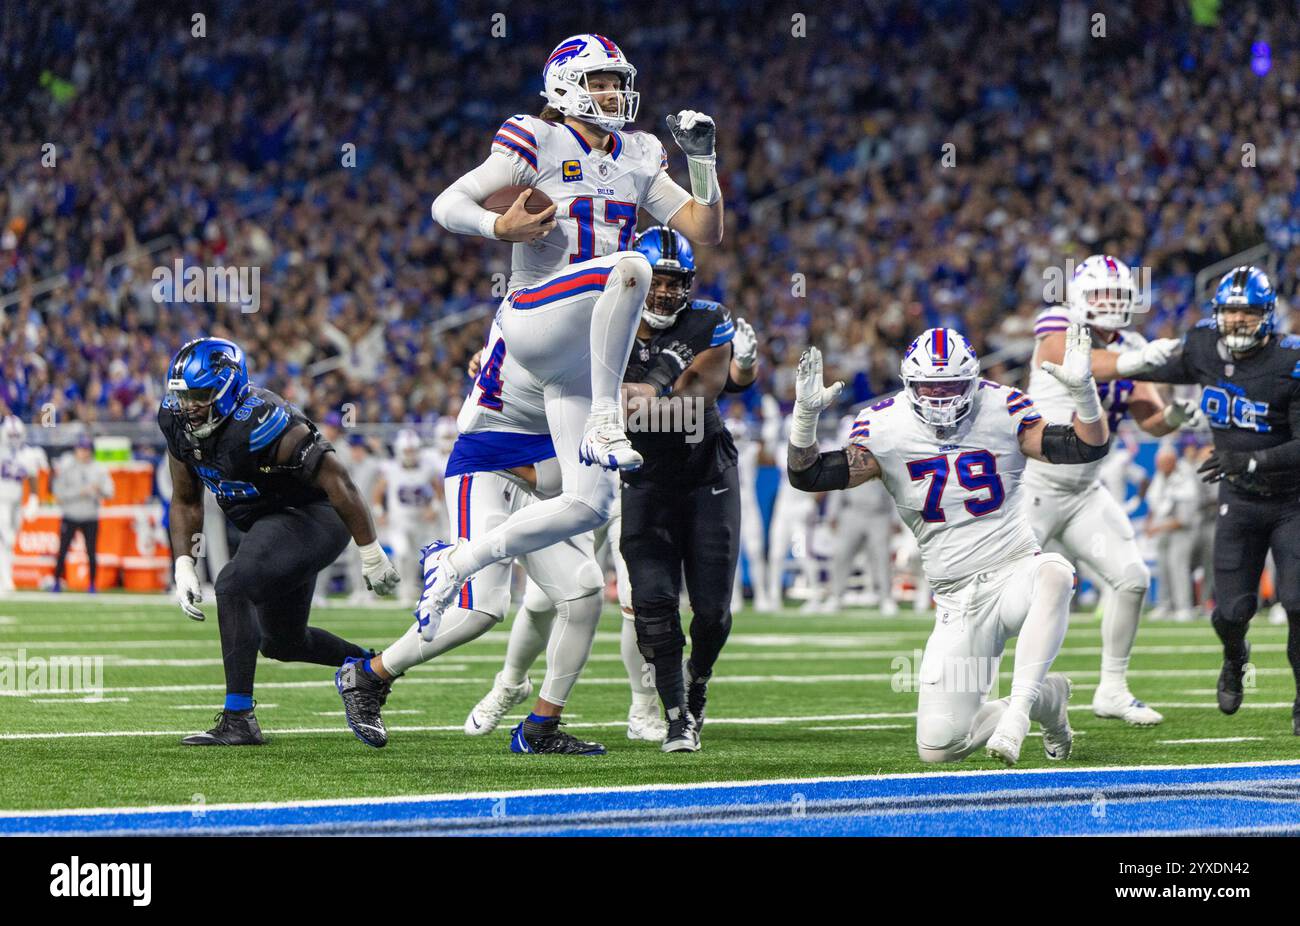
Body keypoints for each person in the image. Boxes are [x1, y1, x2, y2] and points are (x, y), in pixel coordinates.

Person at [418, 32, 724, 649]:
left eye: (617, 80)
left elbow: (704, 229)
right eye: (600, 81)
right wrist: (496, 224)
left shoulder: (639, 150)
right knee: (635, 265)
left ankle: (457, 561)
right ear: (564, 85)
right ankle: (607, 419)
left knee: (590, 506)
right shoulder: (536, 136)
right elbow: (446, 202)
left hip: (587, 350)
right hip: (537, 308)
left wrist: (704, 163)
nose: (613, 92)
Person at [786, 324, 1112, 765]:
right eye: (929, 386)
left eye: (951, 385)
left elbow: (1085, 448)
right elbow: (807, 476)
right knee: (939, 748)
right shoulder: (883, 425)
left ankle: (1018, 714)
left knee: (1055, 573)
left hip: (1014, 569)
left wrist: (1086, 396)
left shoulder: (1003, 407)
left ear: (973, 381)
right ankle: (1047, 698)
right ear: (909, 384)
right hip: (956, 598)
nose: (940, 397)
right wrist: (804, 421)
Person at [160, 337, 400, 746]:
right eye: (183, 396)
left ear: (229, 388)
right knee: (283, 641)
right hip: (269, 524)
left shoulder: (266, 421)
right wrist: (184, 562)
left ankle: (239, 719)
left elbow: (337, 480)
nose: (188, 407)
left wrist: (370, 551)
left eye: (200, 396)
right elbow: (185, 499)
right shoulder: (176, 421)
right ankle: (372, 667)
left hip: (314, 517)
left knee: (233, 584)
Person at [1107, 266, 1300, 733]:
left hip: (1293, 502)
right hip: (1239, 500)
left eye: (1247, 313)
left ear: (1267, 315)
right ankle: (1236, 657)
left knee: (1298, 603)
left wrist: (1249, 461)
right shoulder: (1200, 346)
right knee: (1231, 612)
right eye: (1229, 312)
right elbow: (1147, 364)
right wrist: (1102, 354)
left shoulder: (1289, 361)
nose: (1236, 321)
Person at [1023, 255, 1201, 725]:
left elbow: (1153, 420)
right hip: (1032, 484)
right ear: (1080, 297)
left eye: (1118, 296)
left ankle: (1113, 690)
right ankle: (986, 692)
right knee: (1009, 596)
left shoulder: (1133, 344)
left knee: (1132, 578)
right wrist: (1139, 360)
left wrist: (1178, 417)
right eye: (1101, 295)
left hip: (1085, 489)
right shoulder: (1059, 323)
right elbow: (1071, 360)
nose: (1110, 304)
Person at [51, 434, 115, 592]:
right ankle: (57, 582)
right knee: (63, 550)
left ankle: (92, 584)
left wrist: (98, 490)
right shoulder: (67, 467)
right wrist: (80, 492)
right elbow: (58, 493)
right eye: (81, 449)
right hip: (71, 514)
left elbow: (110, 491)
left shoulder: (98, 468)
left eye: (86, 449)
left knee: (91, 552)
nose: (84, 453)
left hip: (90, 515)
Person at [1145, 444, 1200, 622]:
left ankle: (1183, 607)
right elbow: (1155, 505)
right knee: (1163, 568)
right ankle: (1164, 605)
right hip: (1164, 531)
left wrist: (1157, 527)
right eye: (1159, 462)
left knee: (1179, 568)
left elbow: (1184, 518)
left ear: (1173, 462)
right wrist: (1150, 522)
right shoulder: (1160, 478)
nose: (1161, 466)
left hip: (1181, 532)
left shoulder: (1184, 479)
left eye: (1165, 462)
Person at [0, 415, 44, 592]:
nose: (14, 439)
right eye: (11, 435)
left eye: (16, 435)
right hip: (0, 499)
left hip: (16, 500)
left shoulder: (28, 454)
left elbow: (33, 476)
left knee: (11, 541)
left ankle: (6, 575)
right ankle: (6, 578)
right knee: (5, 538)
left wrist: (34, 498)